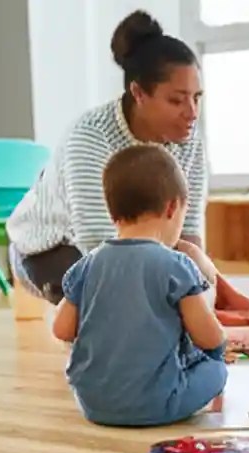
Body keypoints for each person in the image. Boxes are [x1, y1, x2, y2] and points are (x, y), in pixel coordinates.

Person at [7, 10, 249, 327]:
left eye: (197, 98)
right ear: (139, 93)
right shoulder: (89, 137)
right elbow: (103, 252)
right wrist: (209, 318)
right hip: (56, 249)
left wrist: (228, 299)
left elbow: (188, 238)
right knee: (124, 310)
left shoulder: (188, 138)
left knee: (182, 271)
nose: (191, 112)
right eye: (177, 100)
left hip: (135, 247)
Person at [52, 144, 227, 427]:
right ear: (172, 207)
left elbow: (61, 329)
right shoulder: (176, 265)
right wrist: (217, 343)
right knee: (216, 367)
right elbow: (209, 338)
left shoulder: (87, 264)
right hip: (158, 403)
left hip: (92, 404)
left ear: (112, 214)